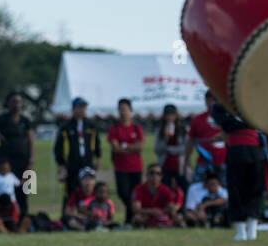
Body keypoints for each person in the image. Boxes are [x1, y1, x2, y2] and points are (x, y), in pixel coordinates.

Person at [210, 103, 268, 241]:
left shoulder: (225, 106)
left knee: (239, 189)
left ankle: (245, 230)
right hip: (253, 151)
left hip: (240, 151)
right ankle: (249, 230)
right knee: (249, 188)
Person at [0, 92, 34, 217]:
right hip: (5, 160)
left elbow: (31, 141)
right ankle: (1, 214)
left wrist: (31, 160)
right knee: (3, 186)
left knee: (24, 188)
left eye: (19, 102)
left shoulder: (25, 121)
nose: (17, 104)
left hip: (22, 159)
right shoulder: (2, 119)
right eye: (14, 102)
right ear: (8, 103)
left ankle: (22, 216)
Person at [54, 97, 99, 209]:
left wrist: (98, 159)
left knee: (88, 190)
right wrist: (61, 165)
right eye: (80, 107)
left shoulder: (90, 125)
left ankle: (89, 213)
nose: (82, 110)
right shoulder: (66, 126)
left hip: (87, 163)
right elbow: (58, 148)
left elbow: (97, 144)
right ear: (74, 109)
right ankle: (67, 214)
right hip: (71, 165)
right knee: (70, 191)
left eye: (84, 107)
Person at [107, 98, 144, 226]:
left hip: (136, 167)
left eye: (125, 109)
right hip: (121, 167)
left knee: (135, 194)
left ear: (130, 110)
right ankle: (132, 217)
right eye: (121, 109)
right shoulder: (114, 128)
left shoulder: (136, 127)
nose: (123, 112)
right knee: (123, 193)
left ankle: (130, 220)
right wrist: (130, 147)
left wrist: (124, 146)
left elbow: (140, 146)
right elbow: (116, 148)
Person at [185, 91, 228, 183]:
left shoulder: (226, 117)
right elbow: (191, 140)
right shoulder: (198, 119)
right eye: (209, 99)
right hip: (203, 162)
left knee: (224, 188)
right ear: (205, 100)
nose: (212, 103)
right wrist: (187, 161)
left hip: (224, 161)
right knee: (198, 186)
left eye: (214, 100)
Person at [131, 164, 183, 229]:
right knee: (137, 218)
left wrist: (168, 210)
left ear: (161, 176)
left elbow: (170, 207)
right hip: (145, 216)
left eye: (158, 174)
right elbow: (136, 209)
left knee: (178, 217)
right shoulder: (138, 189)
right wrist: (152, 211)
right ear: (147, 175)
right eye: (152, 173)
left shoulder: (165, 190)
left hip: (161, 215)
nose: (155, 176)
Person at [154, 104, 188, 194]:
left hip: (179, 166)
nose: (170, 117)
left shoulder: (183, 130)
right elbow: (157, 150)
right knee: (165, 190)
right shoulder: (160, 131)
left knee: (182, 190)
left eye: (172, 115)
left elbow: (186, 148)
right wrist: (165, 139)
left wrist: (170, 149)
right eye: (167, 115)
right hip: (165, 165)